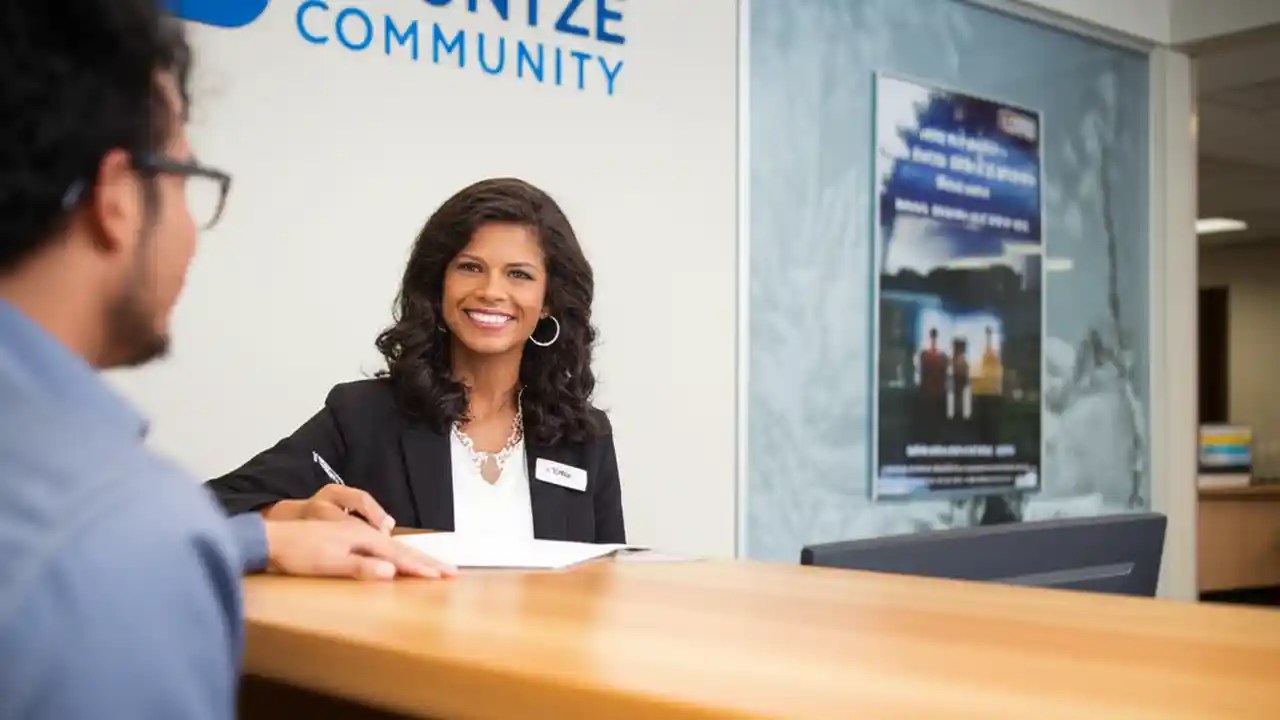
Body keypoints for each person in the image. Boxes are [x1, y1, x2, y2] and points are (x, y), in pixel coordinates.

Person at [0, 3, 451, 718]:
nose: (190, 227)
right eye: (185, 179)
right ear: (117, 199)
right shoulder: (117, 539)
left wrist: (258, 539)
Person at [207, 178, 625, 543]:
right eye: (470, 267)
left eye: (519, 274)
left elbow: (609, 578)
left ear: (549, 300)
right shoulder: (364, 416)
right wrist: (294, 516)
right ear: (437, 285)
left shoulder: (584, 437)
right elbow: (215, 506)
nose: (491, 290)